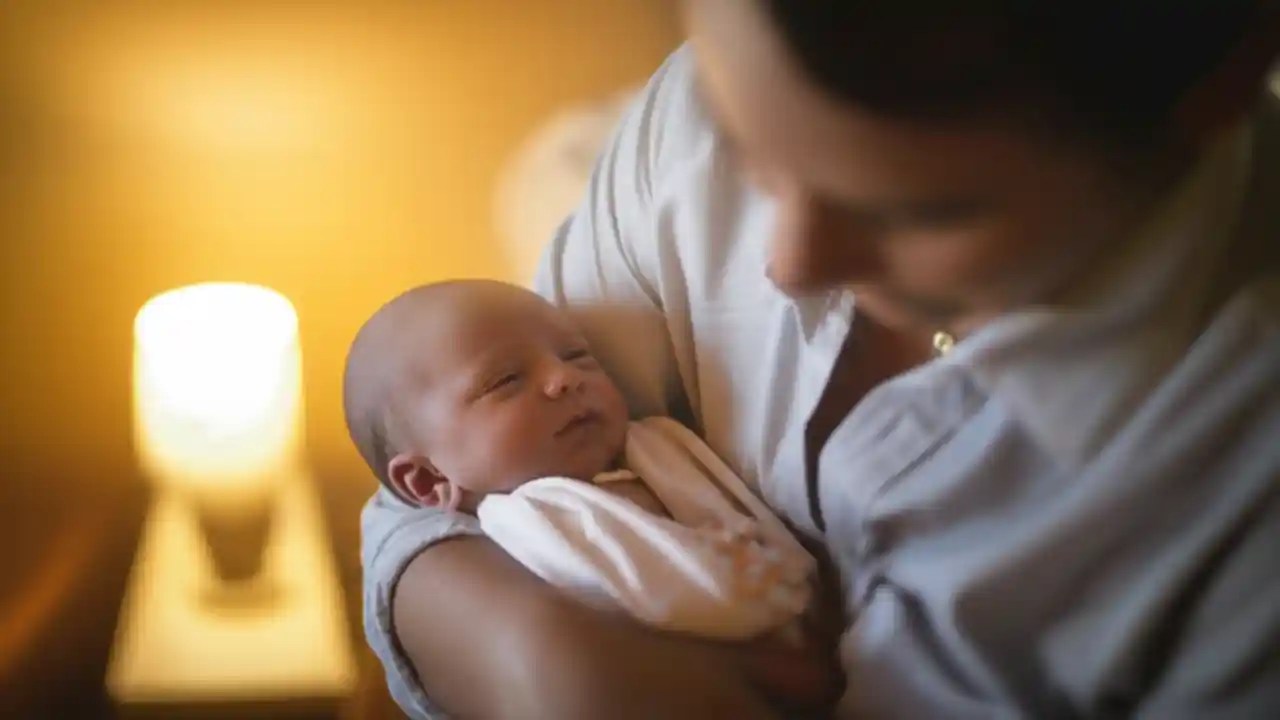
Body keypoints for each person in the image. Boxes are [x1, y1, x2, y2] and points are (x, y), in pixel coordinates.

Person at [362, 1, 1280, 717]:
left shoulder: (1243, 488)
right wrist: (541, 662)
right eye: (754, 154)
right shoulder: (698, 108)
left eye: (914, 212)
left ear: (1222, 85)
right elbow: (434, 472)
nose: (789, 263)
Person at [345, 280, 836, 711]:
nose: (564, 378)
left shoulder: (658, 449)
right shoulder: (532, 527)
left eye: (576, 355)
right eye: (506, 381)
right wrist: (784, 656)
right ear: (430, 481)